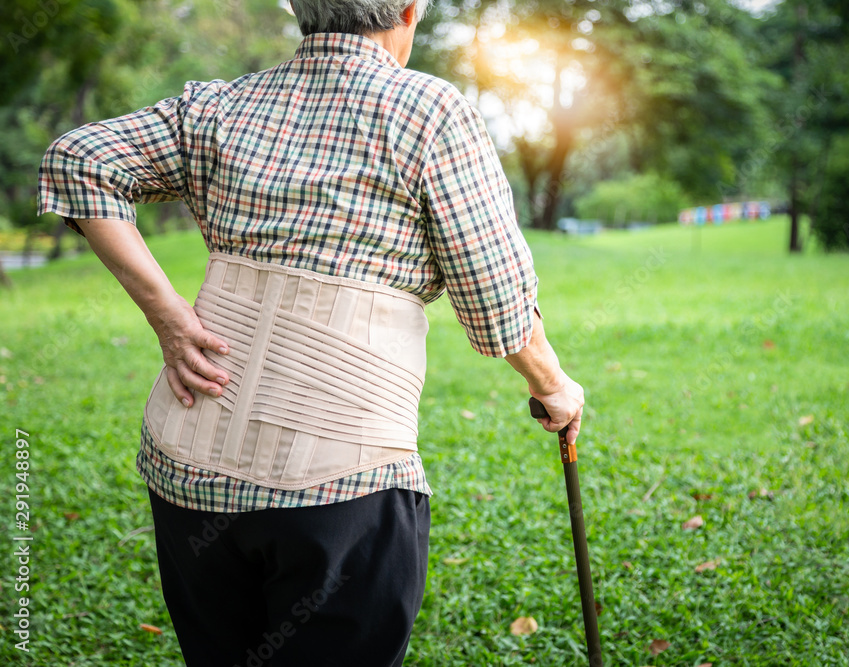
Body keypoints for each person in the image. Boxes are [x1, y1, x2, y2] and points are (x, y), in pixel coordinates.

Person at [36, 0, 584, 665]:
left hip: (187, 470)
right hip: (341, 484)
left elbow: (77, 160)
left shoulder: (219, 107)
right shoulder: (431, 114)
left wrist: (167, 314)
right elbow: (497, 305)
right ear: (409, 9)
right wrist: (554, 386)